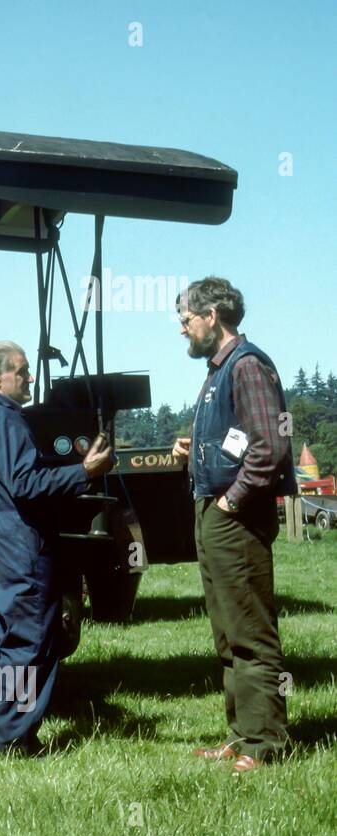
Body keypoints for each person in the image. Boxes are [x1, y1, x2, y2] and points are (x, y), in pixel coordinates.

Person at [0, 341, 114, 755]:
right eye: (21, 372)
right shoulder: (4, 418)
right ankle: (14, 740)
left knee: (5, 638)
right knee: (30, 638)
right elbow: (24, 485)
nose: (29, 379)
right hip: (20, 539)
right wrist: (84, 472)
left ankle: (5, 731)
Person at [172, 277, 294, 773]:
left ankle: (264, 744)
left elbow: (269, 446)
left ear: (211, 317)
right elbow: (240, 440)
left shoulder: (246, 367)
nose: (182, 330)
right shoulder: (219, 370)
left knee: (249, 632)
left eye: (186, 320)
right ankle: (243, 734)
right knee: (227, 633)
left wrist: (230, 503)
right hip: (216, 510)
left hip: (235, 518)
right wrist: (193, 448)